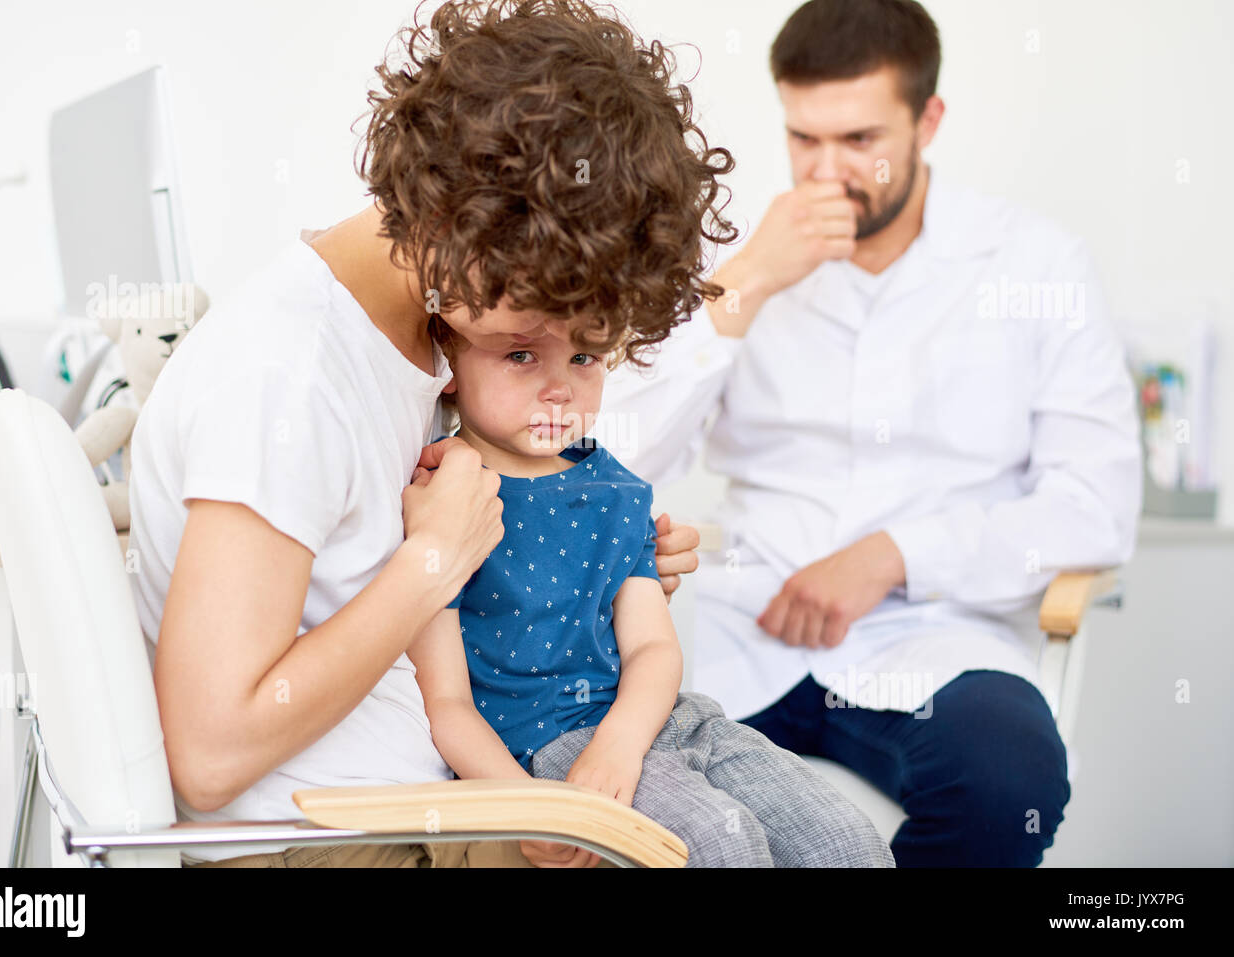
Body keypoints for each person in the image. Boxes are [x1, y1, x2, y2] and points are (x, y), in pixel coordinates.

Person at [127, 0, 726, 867]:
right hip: (341, 838)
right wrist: (432, 562)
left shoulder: (426, 324)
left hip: (437, 793)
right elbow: (209, 754)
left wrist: (594, 567)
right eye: (536, 322)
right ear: (457, 229)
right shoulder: (287, 376)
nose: (560, 350)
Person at [595, 0, 1142, 866]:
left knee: (1007, 781)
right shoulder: (736, 258)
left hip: (937, 636)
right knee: (626, 792)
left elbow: (1095, 505)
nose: (827, 171)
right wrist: (744, 286)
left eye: (859, 139)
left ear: (929, 119)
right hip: (743, 633)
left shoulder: (1035, 264)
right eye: (803, 139)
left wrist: (894, 552)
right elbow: (608, 456)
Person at [405, 322, 896, 867]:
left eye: (585, 358)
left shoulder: (617, 489)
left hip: (665, 719)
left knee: (849, 842)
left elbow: (652, 649)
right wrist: (528, 805)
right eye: (521, 355)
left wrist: (621, 742)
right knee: (715, 845)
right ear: (448, 364)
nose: (560, 388)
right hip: (552, 746)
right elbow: (445, 702)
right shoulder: (443, 498)